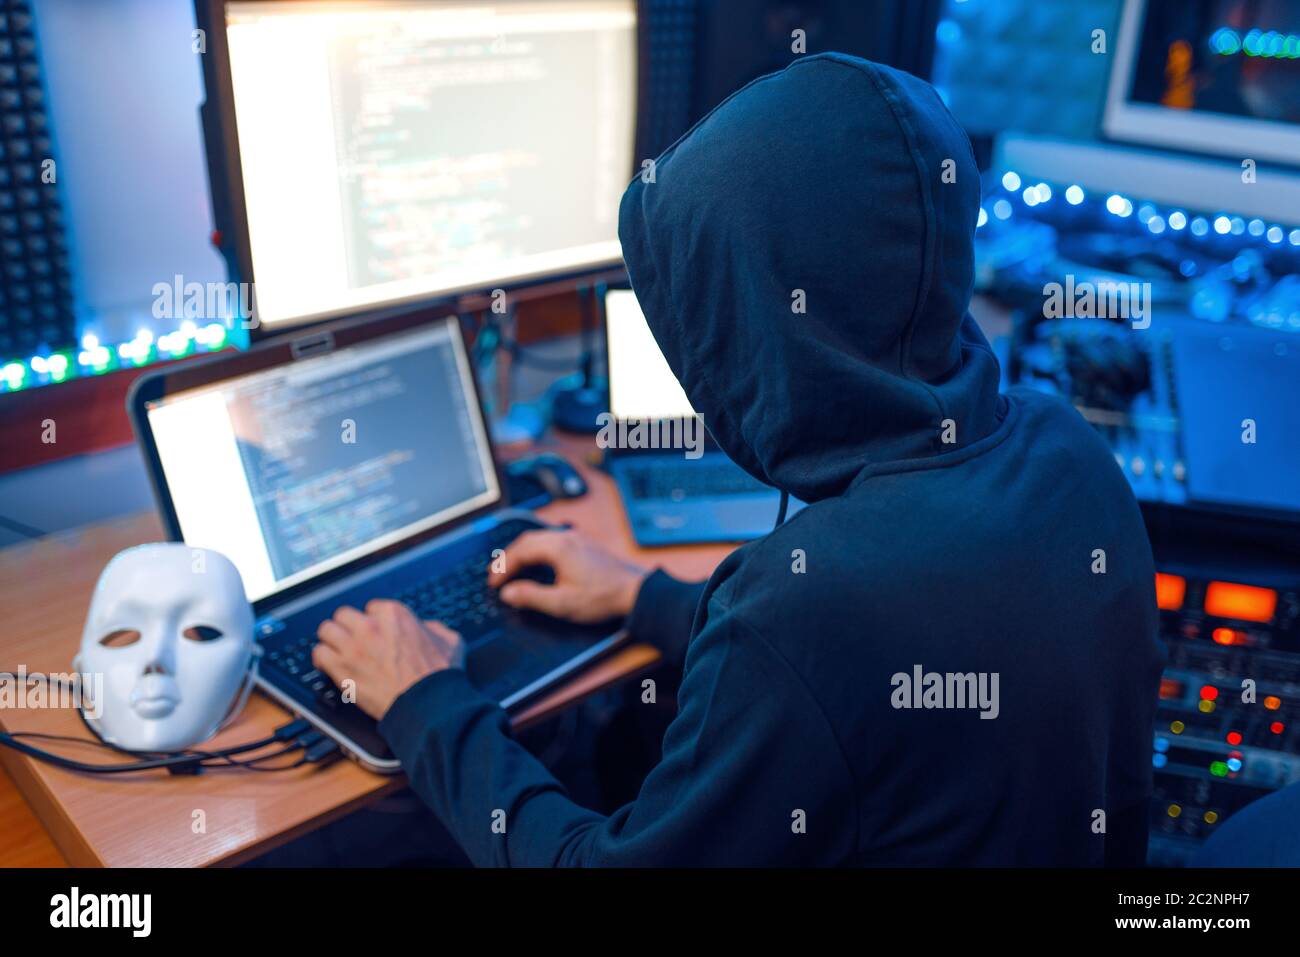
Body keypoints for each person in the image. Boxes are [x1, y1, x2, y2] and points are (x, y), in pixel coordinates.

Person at [311, 53, 1164, 866]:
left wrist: (425, 701)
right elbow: (873, 678)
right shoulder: (1068, 452)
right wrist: (640, 596)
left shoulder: (810, 607)